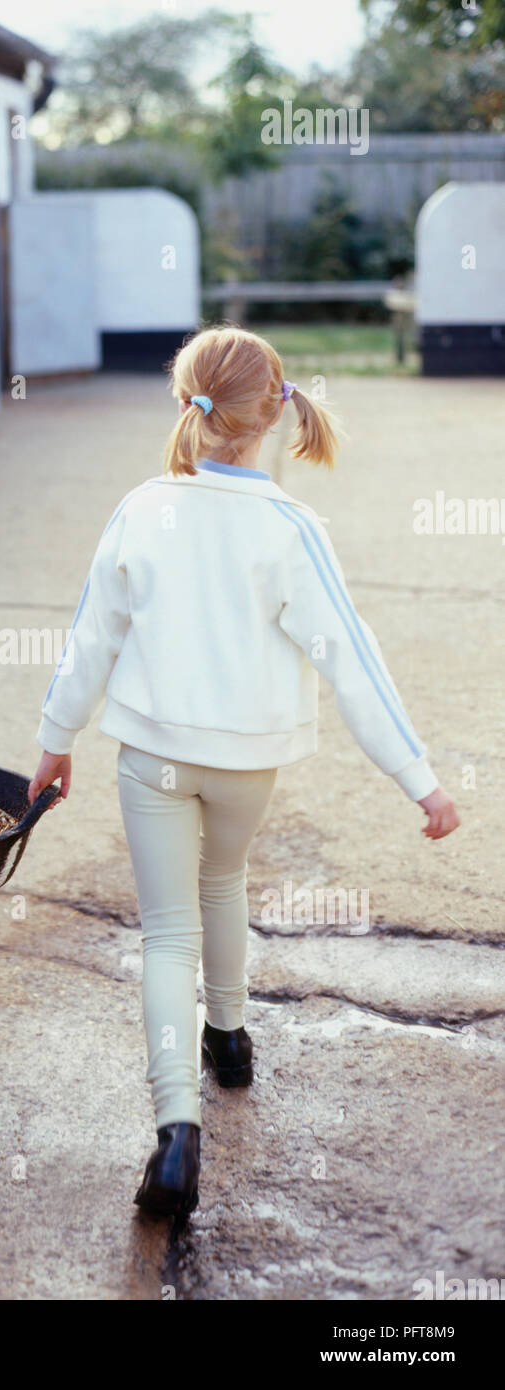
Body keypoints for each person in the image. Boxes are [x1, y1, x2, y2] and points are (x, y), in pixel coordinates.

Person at [27, 325, 459, 1221]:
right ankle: (227, 1037)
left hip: (152, 754)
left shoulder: (141, 507)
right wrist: (417, 777)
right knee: (222, 880)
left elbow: (90, 641)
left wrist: (54, 738)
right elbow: (352, 661)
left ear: (183, 402)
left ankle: (175, 1131)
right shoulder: (290, 529)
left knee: (165, 934)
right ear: (274, 413)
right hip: (245, 763)